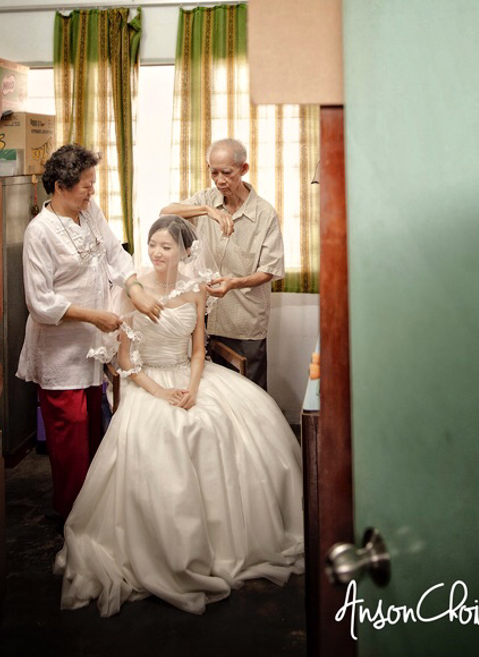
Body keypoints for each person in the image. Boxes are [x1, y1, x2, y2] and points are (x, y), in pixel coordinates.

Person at [55, 215, 304, 616]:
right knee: (171, 433)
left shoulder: (195, 292)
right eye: (152, 244)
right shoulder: (132, 293)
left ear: (185, 252)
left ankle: (225, 542)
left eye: (166, 247)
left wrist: (191, 388)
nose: (156, 253)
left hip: (189, 375)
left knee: (224, 422)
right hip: (147, 380)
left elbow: (198, 350)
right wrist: (161, 391)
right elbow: (124, 363)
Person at [17, 143, 162, 524]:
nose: (92, 191)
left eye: (93, 183)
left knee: (94, 434)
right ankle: (73, 520)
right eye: (86, 184)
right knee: (70, 443)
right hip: (59, 353)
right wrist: (94, 317)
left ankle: (95, 513)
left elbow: (115, 255)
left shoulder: (89, 212)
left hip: (92, 349)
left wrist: (135, 290)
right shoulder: (40, 232)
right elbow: (41, 303)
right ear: (62, 185)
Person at [161, 138, 285, 389]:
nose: (219, 180)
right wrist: (207, 210)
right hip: (206, 319)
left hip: (244, 322)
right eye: (213, 172)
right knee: (214, 394)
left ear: (244, 168)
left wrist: (234, 283)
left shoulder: (264, 214)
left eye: (227, 173)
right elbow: (166, 212)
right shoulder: (206, 199)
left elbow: (269, 270)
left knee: (251, 394)